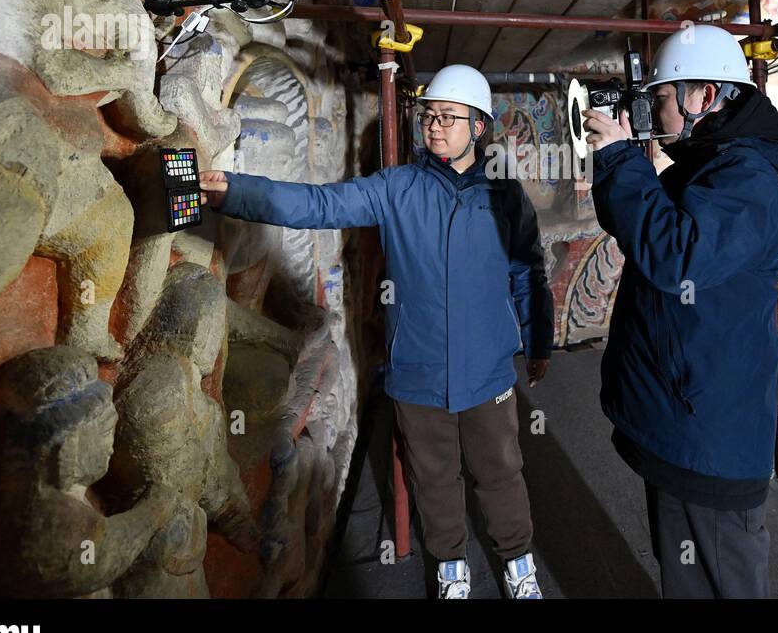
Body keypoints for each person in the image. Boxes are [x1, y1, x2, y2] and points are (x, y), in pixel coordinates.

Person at [200, 64, 554, 599]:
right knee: (433, 479)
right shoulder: (397, 188)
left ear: (478, 127)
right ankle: (451, 566)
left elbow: (527, 270)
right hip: (418, 369)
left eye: (448, 118)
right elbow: (318, 205)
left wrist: (539, 339)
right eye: (429, 115)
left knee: (500, 472)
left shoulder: (505, 197)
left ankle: (517, 561)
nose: (434, 126)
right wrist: (236, 191)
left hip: (487, 370)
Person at [581, 24, 778, 599]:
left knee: (717, 578)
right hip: (686, 415)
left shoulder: (747, 178)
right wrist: (619, 163)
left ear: (704, 97)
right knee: (687, 576)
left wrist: (619, 157)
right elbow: (646, 232)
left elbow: (675, 258)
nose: (653, 111)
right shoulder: (713, 164)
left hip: (708, 433)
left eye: (661, 98)